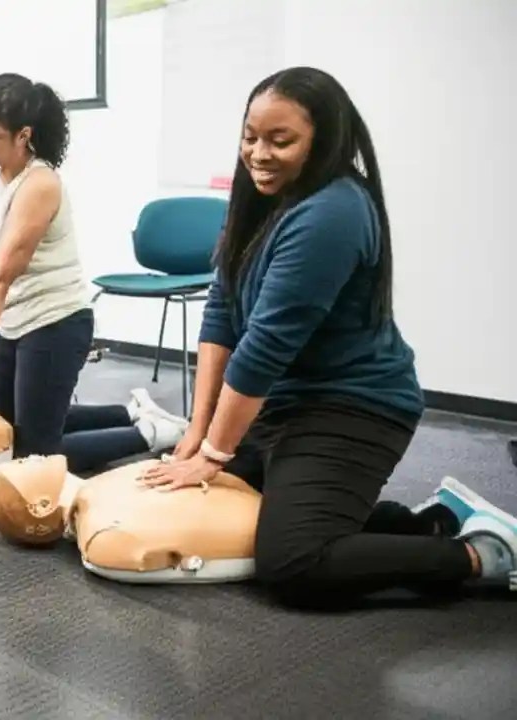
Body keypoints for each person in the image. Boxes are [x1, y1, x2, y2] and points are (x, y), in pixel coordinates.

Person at [137, 66, 517, 606]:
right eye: (250, 136)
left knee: (293, 564)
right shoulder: (259, 198)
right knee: (184, 490)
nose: (258, 154)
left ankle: (484, 554)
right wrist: (196, 435)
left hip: (354, 406)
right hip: (282, 404)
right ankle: (429, 523)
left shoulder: (334, 209)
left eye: (279, 140)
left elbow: (264, 347)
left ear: (324, 139)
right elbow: (220, 313)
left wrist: (216, 453)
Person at [0, 73, 176, 474]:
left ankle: (153, 432)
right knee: (2, 431)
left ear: (24, 136)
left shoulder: (40, 184)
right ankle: (128, 411)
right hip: (14, 323)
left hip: (56, 322)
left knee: (31, 455)